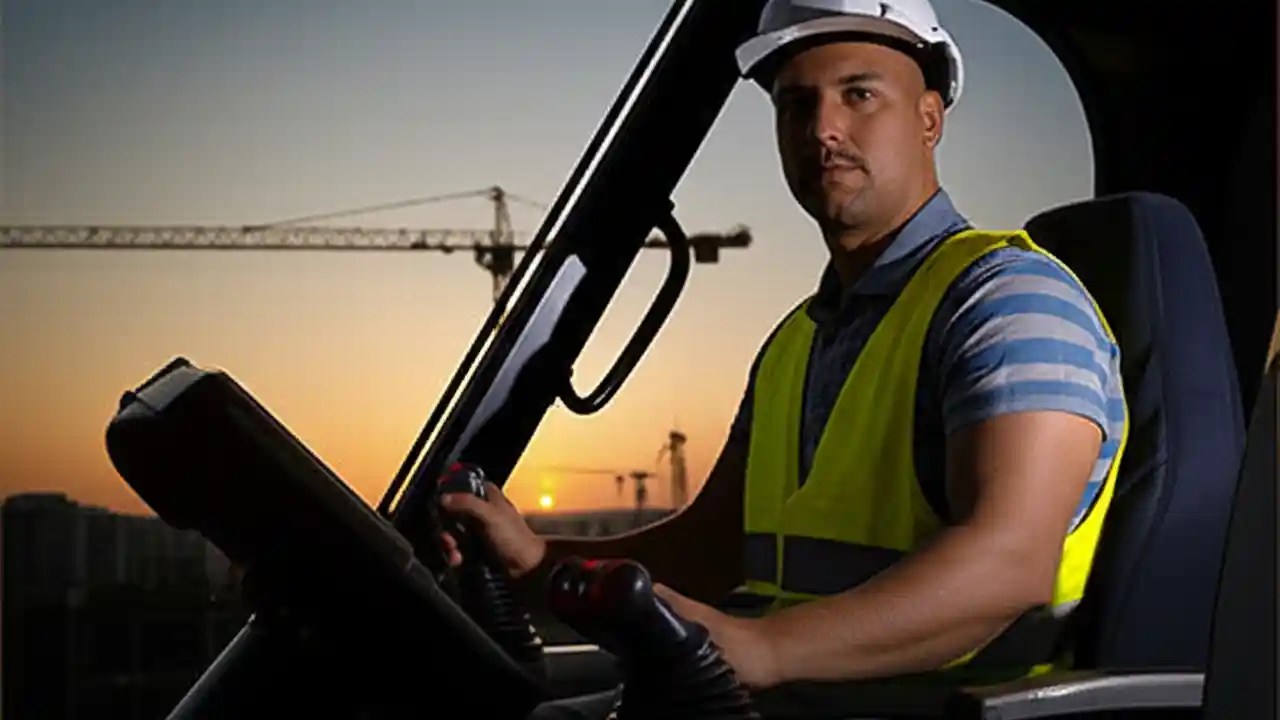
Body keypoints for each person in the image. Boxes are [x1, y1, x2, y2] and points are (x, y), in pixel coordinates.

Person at [442, 0, 1128, 715]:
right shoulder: (796, 341)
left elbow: (1008, 564)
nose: (821, 128)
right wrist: (539, 561)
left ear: (930, 119)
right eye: (796, 104)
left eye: (859, 94)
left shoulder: (1011, 302)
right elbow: (713, 547)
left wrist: (765, 648)